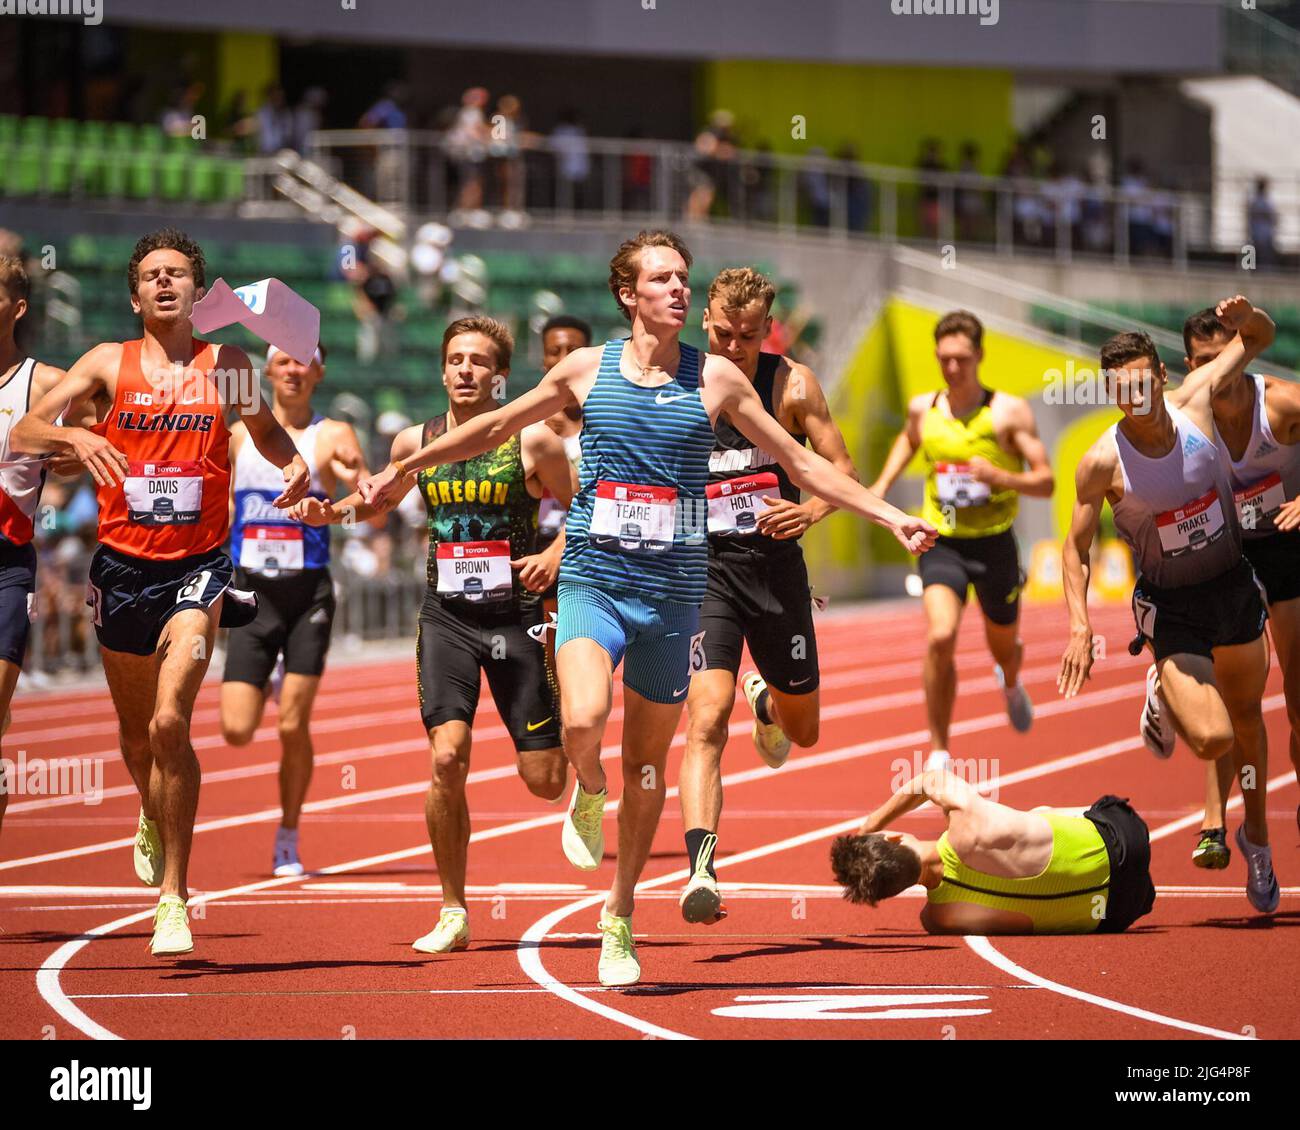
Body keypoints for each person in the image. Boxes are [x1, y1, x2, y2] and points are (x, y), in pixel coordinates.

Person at [357, 230, 937, 986]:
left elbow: (800, 464)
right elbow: (496, 426)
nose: (677, 289)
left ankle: (620, 915)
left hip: (671, 593)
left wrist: (889, 517)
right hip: (594, 578)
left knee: (649, 768)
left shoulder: (719, 380)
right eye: (661, 278)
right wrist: (400, 471)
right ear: (628, 294)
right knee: (583, 720)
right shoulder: (585, 369)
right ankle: (586, 792)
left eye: (682, 277)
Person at [12, 229, 311, 955]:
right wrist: (75, 440)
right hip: (119, 570)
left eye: (178, 274)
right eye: (152, 275)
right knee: (135, 730)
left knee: (170, 722)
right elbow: (23, 429)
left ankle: (175, 894)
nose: (165, 284)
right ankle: (151, 810)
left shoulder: (227, 363)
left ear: (198, 292)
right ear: (135, 294)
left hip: (198, 567)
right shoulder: (105, 365)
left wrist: (295, 464)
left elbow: (265, 432)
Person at [296, 317, 576, 955]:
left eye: (479, 361)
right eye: (456, 359)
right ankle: (454, 907)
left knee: (544, 780)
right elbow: (376, 503)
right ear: (442, 369)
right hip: (446, 618)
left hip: (516, 619)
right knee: (447, 757)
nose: (466, 370)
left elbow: (586, 507)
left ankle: (576, 753)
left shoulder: (531, 442)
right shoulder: (413, 443)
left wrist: (557, 550)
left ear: (500, 376)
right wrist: (329, 511)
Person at [1057, 299, 1280, 913]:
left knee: (1249, 723)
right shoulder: (1101, 462)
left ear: (1159, 373)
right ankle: (1166, 678)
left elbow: (1262, 334)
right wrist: (1079, 626)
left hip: (1232, 585)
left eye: (1140, 381)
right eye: (1119, 387)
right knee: (1211, 739)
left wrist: (1245, 314)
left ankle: (1256, 838)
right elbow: (1074, 549)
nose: (1133, 394)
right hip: (1172, 604)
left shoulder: (1198, 396)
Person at [678, 267, 856, 926]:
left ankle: (772, 707)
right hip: (706, 572)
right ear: (705, 322)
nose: (734, 348)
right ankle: (701, 867)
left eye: (749, 337)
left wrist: (808, 513)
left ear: (767, 331)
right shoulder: (678, 386)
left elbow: (842, 469)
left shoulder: (794, 385)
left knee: (804, 732)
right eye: (724, 333)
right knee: (704, 719)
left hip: (778, 574)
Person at [220, 344, 381, 877]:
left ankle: (288, 834)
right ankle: (268, 678)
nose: (292, 371)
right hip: (249, 596)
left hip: (307, 595)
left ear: (319, 372)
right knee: (236, 730)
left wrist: (341, 501)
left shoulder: (331, 434)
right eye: (282, 362)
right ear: (267, 370)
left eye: (302, 362)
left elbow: (367, 502)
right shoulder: (239, 435)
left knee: (293, 724)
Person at [871, 310, 1053, 767]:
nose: (952, 369)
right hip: (943, 540)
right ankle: (938, 749)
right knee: (940, 636)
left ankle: (1009, 681)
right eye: (945, 359)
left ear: (980, 356)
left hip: (994, 544)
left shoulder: (1007, 412)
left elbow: (1046, 481)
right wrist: (880, 488)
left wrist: (1001, 476)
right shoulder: (923, 408)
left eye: (962, 360)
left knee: (1004, 648)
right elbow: (908, 440)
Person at [1179, 304, 1300, 859]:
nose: (1217, 373)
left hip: (1290, 544)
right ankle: (1215, 822)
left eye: (1225, 357)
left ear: (1243, 352)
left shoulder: (1279, 403)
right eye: (1205, 362)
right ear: (1191, 364)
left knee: (1297, 702)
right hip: (1232, 555)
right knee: (1232, 697)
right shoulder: (1186, 413)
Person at [831, 769, 1155, 935]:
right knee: (1040, 813)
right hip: (1126, 839)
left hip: (1120, 911)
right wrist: (872, 822)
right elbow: (929, 780)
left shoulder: (938, 919)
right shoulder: (967, 825)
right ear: (896, 838)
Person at [0, 256, 77, 836]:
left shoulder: (43, 381)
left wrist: (71, 455)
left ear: (17, 307)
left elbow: (94, 437)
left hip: (7, 566)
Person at [536, 315, 591, 680]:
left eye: (572, 350)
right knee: (552, 664)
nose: (563, 358)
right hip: (543, 554)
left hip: (597, 547)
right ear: (544, 361)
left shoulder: (607, 418)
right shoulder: (534, 426)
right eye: (554, 351)